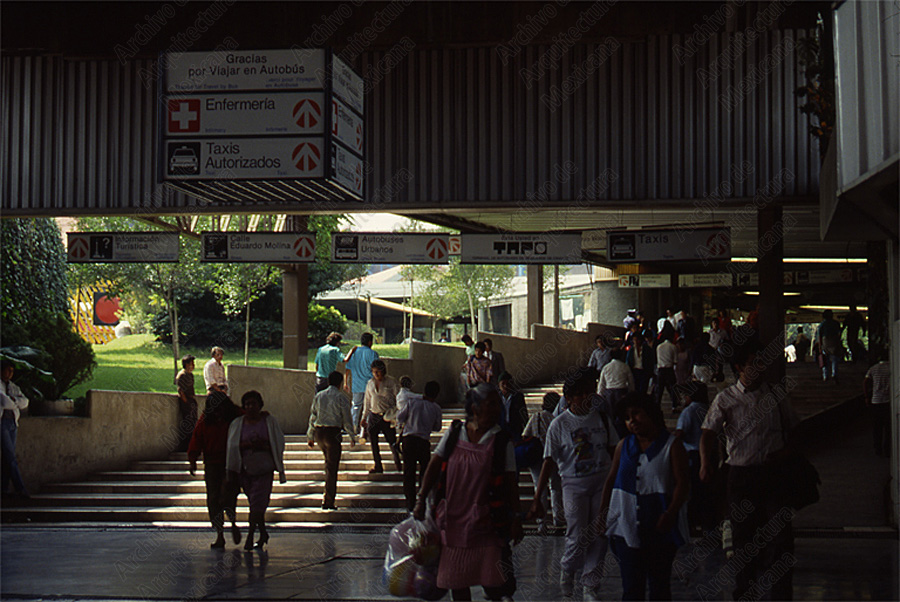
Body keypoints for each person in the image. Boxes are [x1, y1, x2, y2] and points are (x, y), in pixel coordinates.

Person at [700, 339, 800, 601]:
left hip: (774, 474)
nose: (759, 367)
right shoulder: (726, 399)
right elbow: (708, 432)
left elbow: (796, 429)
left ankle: (781, 595)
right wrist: (705, 463)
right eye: (753, 363)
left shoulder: (776, 396)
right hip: (741, 476)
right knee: (744, 538)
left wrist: (786, 452)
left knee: (781, 538)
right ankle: (745, 592)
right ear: (739, 367)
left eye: (762, 362)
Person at [413, 384, 522, 601]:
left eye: (498, 404)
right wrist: (421, 499)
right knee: (457, 583)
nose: (497, 409)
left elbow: (511, 484)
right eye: (491, 404)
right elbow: (434, 466)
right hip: (453, 524)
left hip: (487, 525)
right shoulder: (455, 433)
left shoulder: (501, 441)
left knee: (494, 584)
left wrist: (516, 518)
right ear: (475, 407)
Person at [529, 369, 619, 601]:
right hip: (573, 486)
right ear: (568, 398)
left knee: (599, 535)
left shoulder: (602, 419)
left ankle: (590, 585)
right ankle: (568, 570)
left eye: (589, 392)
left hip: (601, 484)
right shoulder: (559, 425)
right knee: (577, 536)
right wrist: (538, 497)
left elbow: (614, 450)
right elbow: (548, 461)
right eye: (579, 394)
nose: (585, 398)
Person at [600, 392, 690, 601]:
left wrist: (671, 512)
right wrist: (602, 515)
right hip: (626, 527)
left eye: (636, 414)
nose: (632, 421)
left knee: (659, 587)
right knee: (632, 588)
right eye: (627, 418)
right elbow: (611, 481)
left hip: (658, 528)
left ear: (651, 414)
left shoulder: (671, 446)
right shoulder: (623, 446)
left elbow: (682, 484)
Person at [226, 390, 286, 551]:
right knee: (254, 503)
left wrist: (264, 446)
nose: (250, 407)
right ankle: (263, 532)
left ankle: (251, 534)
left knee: (258, 504)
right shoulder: (237, 424)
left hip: (264, 469)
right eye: (247, 404)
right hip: (245, 470)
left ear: (260, 405)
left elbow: (278, 441)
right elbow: (232, 445)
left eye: (254, 404)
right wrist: (246, 446)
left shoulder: (269, 422)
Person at [188, 391, 243, 548]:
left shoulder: (235, 417)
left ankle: (232, 521)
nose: (218, 412)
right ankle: (220, 533)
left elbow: (251, 415)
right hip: (212, 464)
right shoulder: (206, 420)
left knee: (228, 496)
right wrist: (192, 459)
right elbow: (197, 438)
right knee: (213, 499)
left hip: (230, 463)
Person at [307, 371, 357, 510]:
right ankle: (328, 500)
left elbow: (313, 415)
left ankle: (327, 497)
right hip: (333, 433)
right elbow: (346, 418)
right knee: (332, 467)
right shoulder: (342, 397)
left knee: (328, 463)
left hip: (319, 433)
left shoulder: (319, 396)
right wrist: (352, 436)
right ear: (340, 383)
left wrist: (310, 435)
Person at [673, 381, 713, 533]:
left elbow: (680, 433)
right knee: (706, 491)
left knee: (693, 490)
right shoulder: (708, 409)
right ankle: (707, 523)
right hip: (709, 454)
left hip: (693, 454)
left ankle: (692, 523)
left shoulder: (688, 411)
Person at [396, 380, 442, 512]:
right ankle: (422, 500)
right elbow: (437, 427)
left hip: (409, 440)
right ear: (437, 394)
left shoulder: (412, 402)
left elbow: (400, 417)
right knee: (424, 472)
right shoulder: (436, 408)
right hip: (423, 442)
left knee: (409, 472)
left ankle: (410, 503)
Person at [522, 391, 565, 532]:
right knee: (555, 487)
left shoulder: (535, 417)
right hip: (552, 458)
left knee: (539, 488)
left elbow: (525, 435)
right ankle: (558, 518)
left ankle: (542, 523)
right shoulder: (556, 419)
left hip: (535, 458)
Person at [361, 359, 402, 474]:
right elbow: (367, 401)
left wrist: (395, 414)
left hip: (387, 415)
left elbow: (399, 399)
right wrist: (364, 417)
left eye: (378, 371)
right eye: (374, 372)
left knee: (392, 440)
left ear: (383, 371)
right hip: (374, 415)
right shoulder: (370, 383)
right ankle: (378, 465)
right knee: (373, 441)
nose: (376, 374)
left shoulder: (391, 382)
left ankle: (397, 461)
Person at [0, 359, 29, 498]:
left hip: (13, 422)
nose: (10, 373)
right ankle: (20, 488)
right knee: (10, 456)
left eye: (12, 371)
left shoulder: (13, 387)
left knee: (7, 457)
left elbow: (25, 401)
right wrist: (15, 402)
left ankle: (4, 488)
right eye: (8, 370)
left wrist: (14, 401)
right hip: (2, 423)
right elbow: (4, 401)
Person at [344, 332, 379, 432]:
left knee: (356, 406)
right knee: (370, 407)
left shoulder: (354, 353)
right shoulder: (373, 354)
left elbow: (347, 369)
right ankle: (367, 428)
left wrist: (346, 382)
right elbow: (377, 370)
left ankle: (353, 427)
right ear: (370, 342)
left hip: (357, 385)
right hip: (370, 385)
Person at [864, 355, 891, 457]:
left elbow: (865, 381)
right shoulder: (891, 368)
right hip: (888, 400)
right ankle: (887, 448)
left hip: (876, 400)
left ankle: (877, 448)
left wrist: (867, 396)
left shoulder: (873, 368)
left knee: (877, 427)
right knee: (888, 427)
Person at [175, 354, 198, 452]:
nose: (193, 366)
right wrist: (187, 403)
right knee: (187, 423)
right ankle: (185, 446)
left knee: (193, 423)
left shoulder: (190, 375)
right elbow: (181, 391)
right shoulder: (182, 375)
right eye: (191, 363)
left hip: (191, 400)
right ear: (187, 364)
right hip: (186, 402)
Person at [497, 371, 527, 441]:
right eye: (503, 384)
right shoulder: (497, 398)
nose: (505, 386)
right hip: (501, 429)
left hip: (515, 429)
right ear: (499, 385)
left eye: (508, 384)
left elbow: (524, 415)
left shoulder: (518, 397)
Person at [816, 309, 843, 383]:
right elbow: (839, 333)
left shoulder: (822, 324)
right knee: (834, 358)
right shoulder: (836, 323)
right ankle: (834, 373)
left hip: (825, 341)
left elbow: (820, 335)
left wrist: (820, 346)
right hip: (834, 340)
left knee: (825, 359)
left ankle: (825, 375)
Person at [655, 332, 679, 411]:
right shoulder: (673, 347)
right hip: (669, 369)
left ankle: (657, 405)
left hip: (661, 369)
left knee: (660, 389)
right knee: (673, 388)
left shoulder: (659, 347)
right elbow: (675, 361)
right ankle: (674, 405)